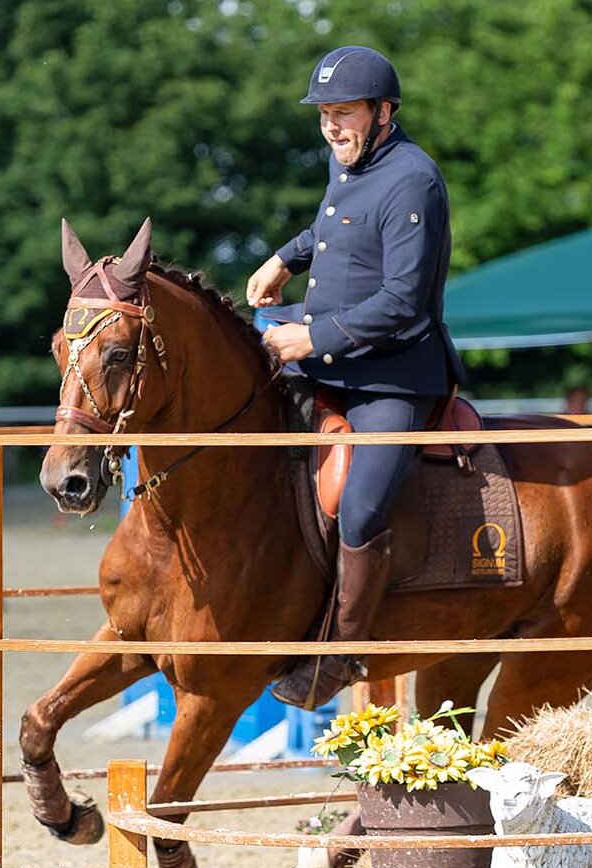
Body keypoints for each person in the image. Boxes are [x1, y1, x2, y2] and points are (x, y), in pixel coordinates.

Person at [246, 45, 462, 709]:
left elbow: (401, 298)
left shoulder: (412, 179)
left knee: (359, 507)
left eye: (343, 113)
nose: (331, 126)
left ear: (382, 111)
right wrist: (286, 259)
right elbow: (333, 231)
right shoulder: (350, 164)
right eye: (324, 115)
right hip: (332, 360)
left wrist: (310, 335)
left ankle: (340, 654)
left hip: (393, 376)